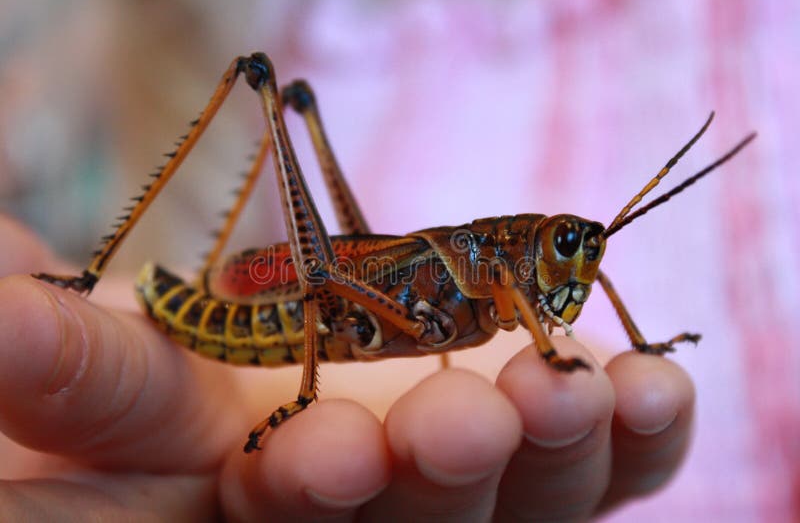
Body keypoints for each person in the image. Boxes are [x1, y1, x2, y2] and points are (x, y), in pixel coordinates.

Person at [0, 213, 694, 521]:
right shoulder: (493, 268)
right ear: (523, 245)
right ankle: (94, 278)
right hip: (306, 311)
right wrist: (546, 350)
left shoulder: (519, 277)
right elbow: (316, 271)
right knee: (270, 81)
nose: (577, 268)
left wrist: (642, 344)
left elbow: (579, 286)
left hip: (358, 316)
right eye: (569, 246)